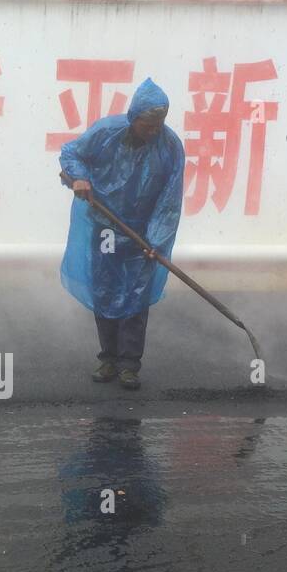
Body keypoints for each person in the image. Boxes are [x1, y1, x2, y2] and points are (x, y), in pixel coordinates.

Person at [58, 77, 185, 390]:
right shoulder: (106, 133)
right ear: (134, 117)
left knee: (135, 297)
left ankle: (130, 364)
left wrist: (156, 240)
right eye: (148, 124)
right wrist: (80, 178)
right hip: (106, 225)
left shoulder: (170, 148)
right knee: (106, 289)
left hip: (142, 233)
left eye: (159, 124)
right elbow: (72, 154)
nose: (154, 130)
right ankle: (108, 358)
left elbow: (169, 200)